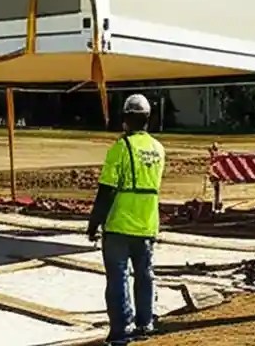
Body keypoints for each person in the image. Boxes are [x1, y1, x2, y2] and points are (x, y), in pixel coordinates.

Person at [87, 94, 166, 345]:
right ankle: (146, 323)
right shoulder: (158, 148)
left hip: (120, 224)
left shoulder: (120, 148)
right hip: (147, 223)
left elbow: (107, 189)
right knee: (145, 275)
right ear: (147, 119)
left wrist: (94, 222)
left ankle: (121, 330)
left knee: (118, 278)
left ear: (125, 119)